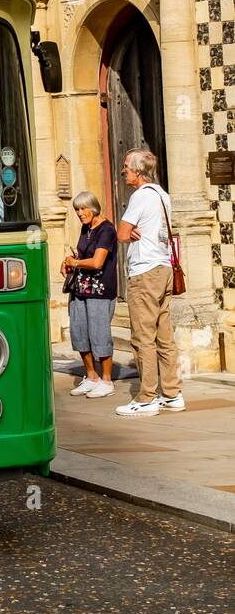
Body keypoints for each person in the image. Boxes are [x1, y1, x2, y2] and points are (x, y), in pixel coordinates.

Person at [115, 148, 184, 417]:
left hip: (145, 271)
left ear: (138, 172)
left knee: (143, 336)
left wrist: (130, 231)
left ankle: (146, 398)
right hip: (164, 267)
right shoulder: (162, 195)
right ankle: (172, 393)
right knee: (164, 335)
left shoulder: (140, 196)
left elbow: (121, 233)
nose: (124, 173)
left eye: (126, 168)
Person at [62, 191, 118, 398]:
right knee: (79, 332)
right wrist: (69, 259)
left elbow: (97, 262)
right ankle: (91, 376)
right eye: (77, 209)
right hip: (79, 288)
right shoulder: (86, 229)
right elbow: (82, 253)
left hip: (100, 291)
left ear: (93, 208)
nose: (79, 213)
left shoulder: (107, 230)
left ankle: (106, 380)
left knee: (99, 334)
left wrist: (75, 263)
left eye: (83, 208)